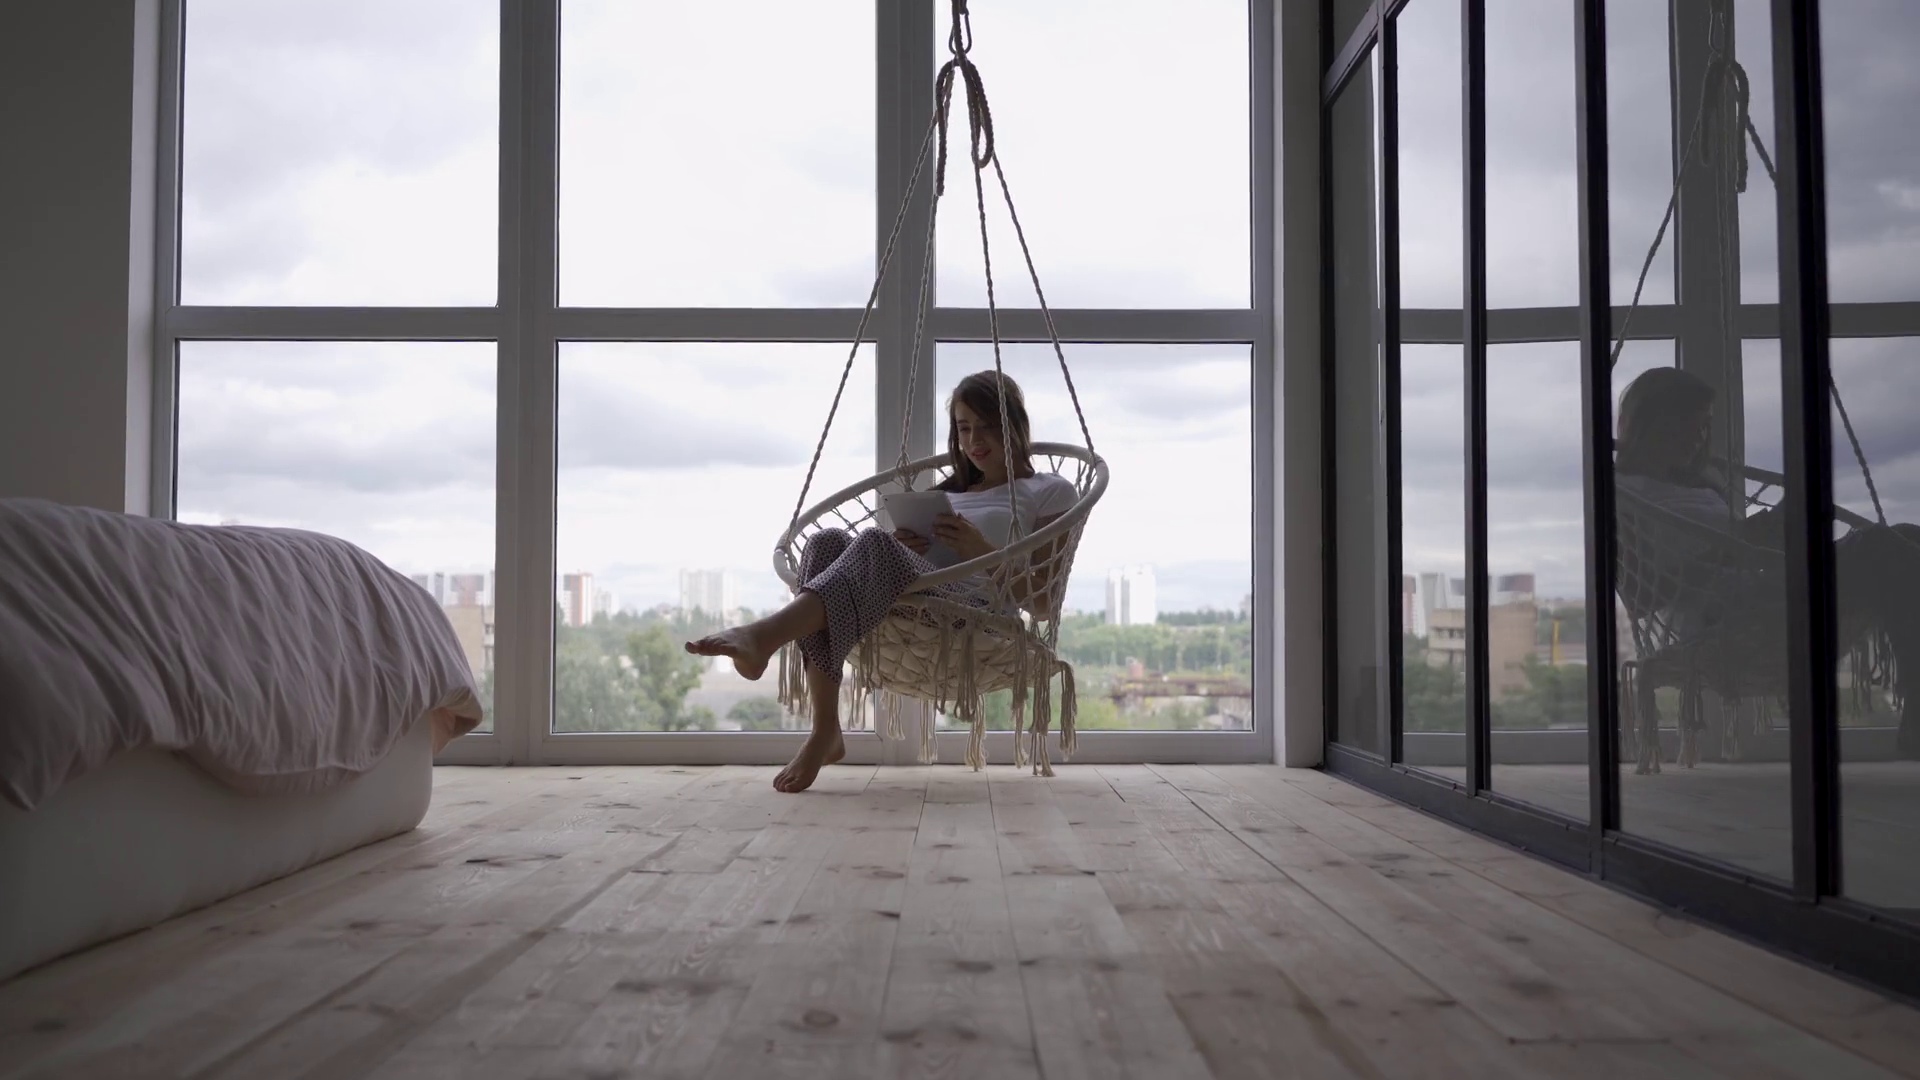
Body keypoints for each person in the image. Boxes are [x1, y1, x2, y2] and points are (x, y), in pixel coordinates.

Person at [687, 371, 1080, 791]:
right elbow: (897, 556)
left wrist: (980, 549)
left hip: (975, 620)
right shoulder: (951, 492)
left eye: (986, 426)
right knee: (826, 543)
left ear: (1014, 424)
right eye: (964, 428)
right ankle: (825, 730)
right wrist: (905, 548)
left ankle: (763, 637)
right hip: (917, 601)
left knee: (871, 544)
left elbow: (1042, 603)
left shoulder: (1049, 491)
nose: (973, 440)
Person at [1615, 366, 1919, 756]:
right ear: (1650, 424)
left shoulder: (1701, 482)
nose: (1698, 439)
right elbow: (1642, 597)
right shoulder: (1621, 493)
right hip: (1718, 612)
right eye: (1687, 427)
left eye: (1704, 426)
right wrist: (1740, 541)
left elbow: (1746, 550)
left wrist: (1774, 533)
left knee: (1906, 537)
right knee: (1881, 543)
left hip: (1762, 586)